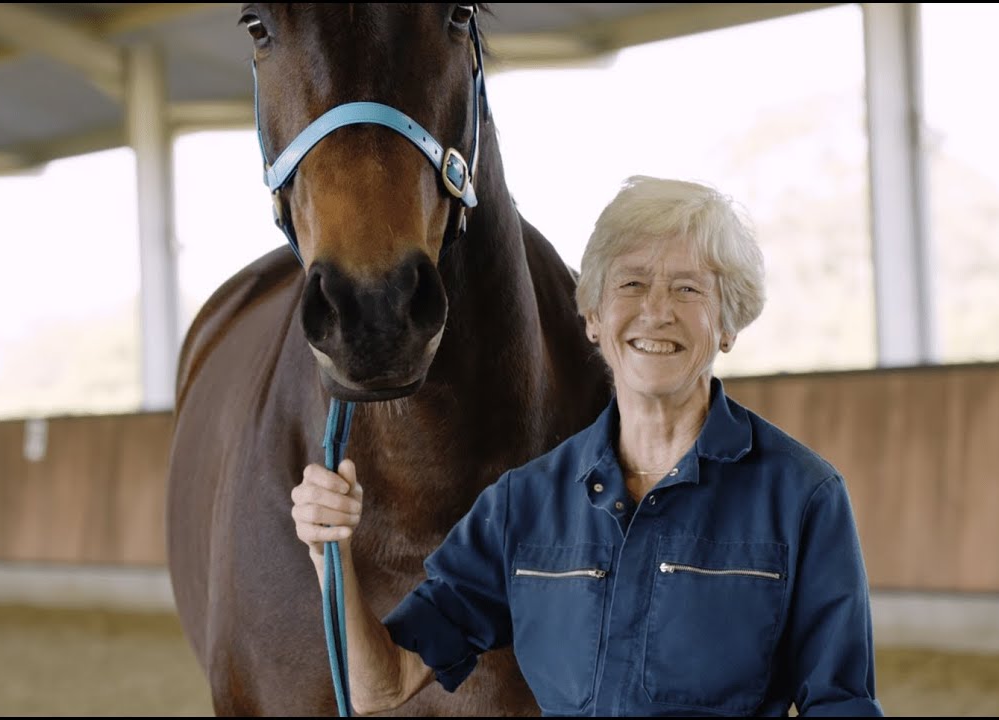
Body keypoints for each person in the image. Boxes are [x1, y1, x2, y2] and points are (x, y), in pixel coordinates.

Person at [291, 175, 884, 716]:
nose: (656, 312)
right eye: (631, 283)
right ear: (594, 317)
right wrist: (330, 555)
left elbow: (842, 704)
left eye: (688, 289)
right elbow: (381, 685)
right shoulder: (522, 506)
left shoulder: (804, 498)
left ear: (728, 325)